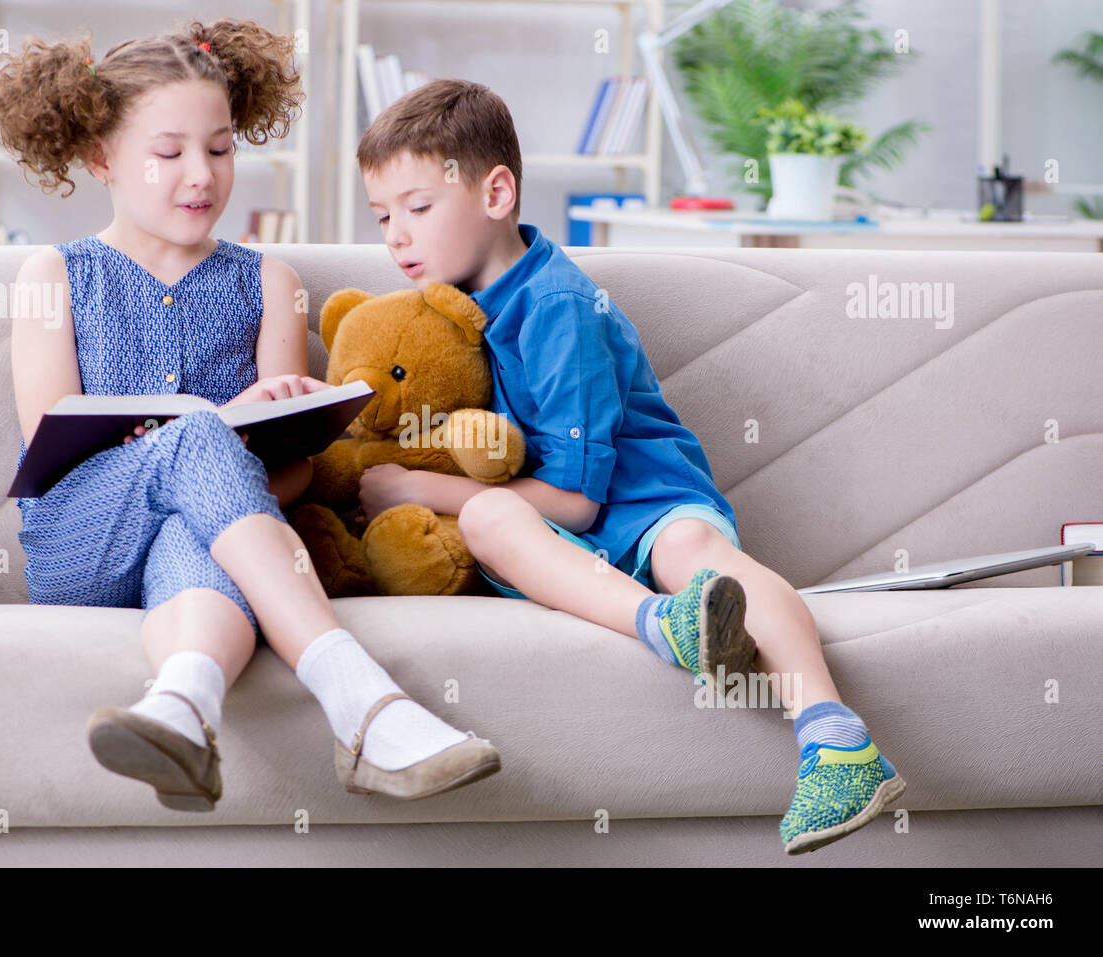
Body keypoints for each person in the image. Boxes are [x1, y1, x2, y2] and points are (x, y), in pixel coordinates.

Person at [354, 78, 905, 854]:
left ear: (496, 192)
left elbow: (577, 504)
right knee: (483, 517)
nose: (396, 238)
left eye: (417, 208)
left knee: (694, 555)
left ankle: (835, 735)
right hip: (570, 540)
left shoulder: (556, 305)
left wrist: (412, 486)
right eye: (382, 217)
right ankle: (664, 623)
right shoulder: (452, 308)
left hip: (643, 503)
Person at [0, 19, 500, 811]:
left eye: (220, 150)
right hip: (82, 540)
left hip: (214, 542)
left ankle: (181, 711)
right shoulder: (54, 274)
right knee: (198, 434)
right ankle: (360, 699)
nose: (202, 174)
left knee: (199, 534)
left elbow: (289, 470)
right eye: (169, 152)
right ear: (101, 158)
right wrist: (214, 423)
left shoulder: (269, 282)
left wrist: (241, 438)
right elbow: (52, 440)